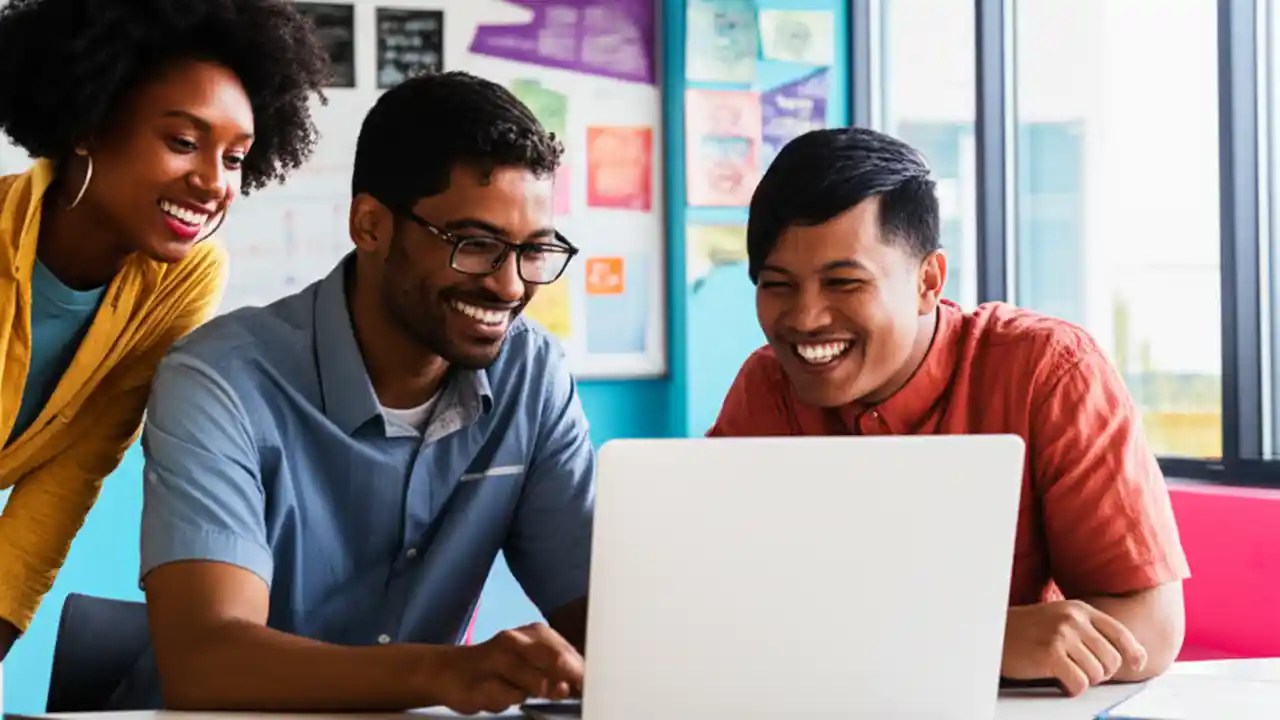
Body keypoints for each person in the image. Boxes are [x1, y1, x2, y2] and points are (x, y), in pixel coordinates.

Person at [112, 71, 592, 713]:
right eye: (475, 246)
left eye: (533, 251)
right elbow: (207, 660)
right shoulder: (220, 379)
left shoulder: (531, 377)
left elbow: (604, 621)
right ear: (370, 226)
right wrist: (444, 673)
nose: (509, 286)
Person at [709, 127, 1190, 698]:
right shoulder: (766, 387)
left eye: (844, 283)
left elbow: (1151, 629)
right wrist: (978, 638)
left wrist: (958, 644)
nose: (806, 318)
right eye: (778, 285)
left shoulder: (1048, 370)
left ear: (927, 281)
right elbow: (721, 609)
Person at [0, 0, 329, 660]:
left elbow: (73, 470)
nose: (213, 183)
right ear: (88, 125)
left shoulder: (184, 274)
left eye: (236, 158)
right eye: (183, 142)